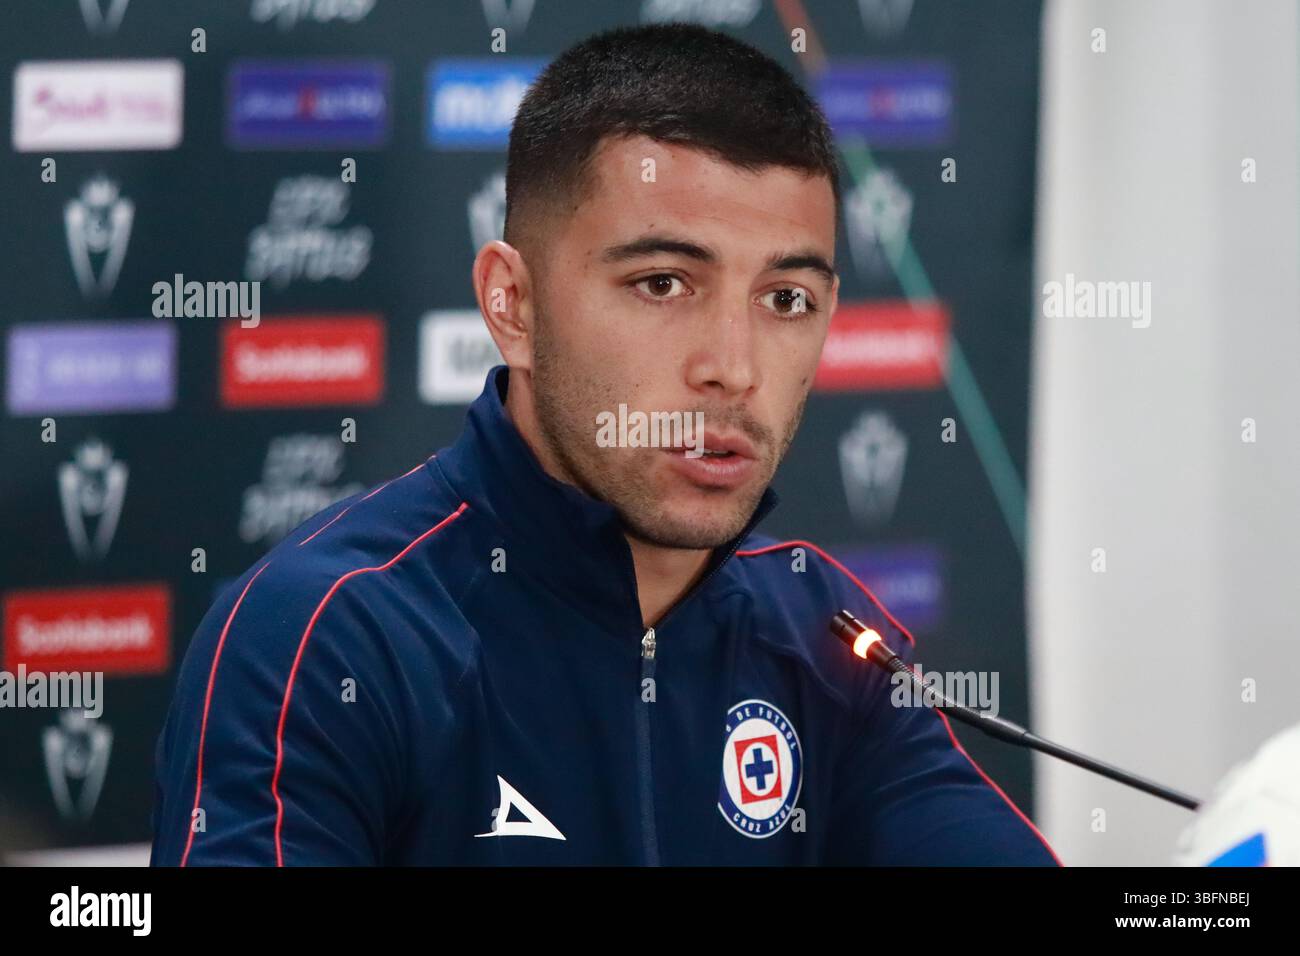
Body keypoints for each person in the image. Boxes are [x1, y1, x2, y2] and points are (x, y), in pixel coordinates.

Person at [151, 22, 1060, 866]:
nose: (733, 369)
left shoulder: (826, 635)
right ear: (514, 304)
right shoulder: (330, 636)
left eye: (787, 300)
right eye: (663, 283)